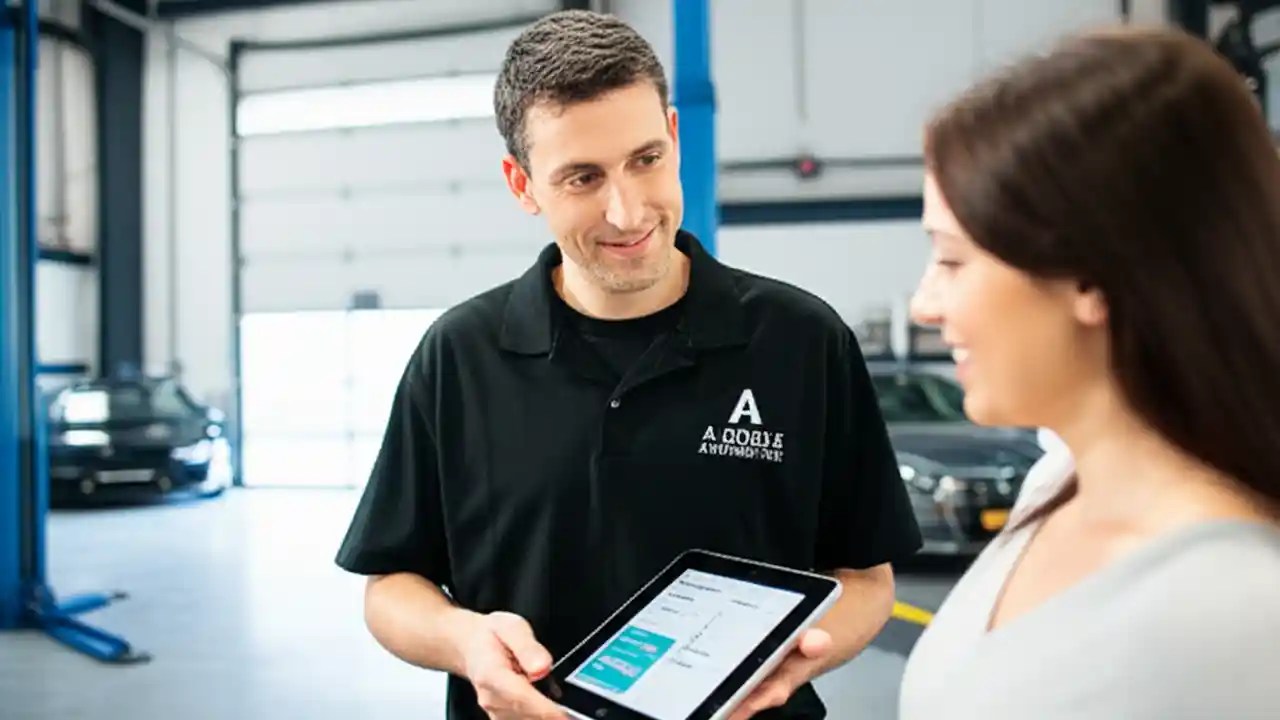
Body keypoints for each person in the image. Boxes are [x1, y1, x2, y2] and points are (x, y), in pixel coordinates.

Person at [334, 9, 922, 720]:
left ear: (674, 136)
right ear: (522, 185)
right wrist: (465, 640)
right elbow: (391, 583)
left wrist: (793, 664)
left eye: (646, 159)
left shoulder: (801, 340)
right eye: (582, 178)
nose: (627, 211)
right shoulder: (459, 355)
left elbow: (866, 575)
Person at [898, 26, 1280, 719]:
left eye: (952, 261)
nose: (924, 306)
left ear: (1089, 278)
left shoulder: (1235, 611)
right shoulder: (1057, 482)